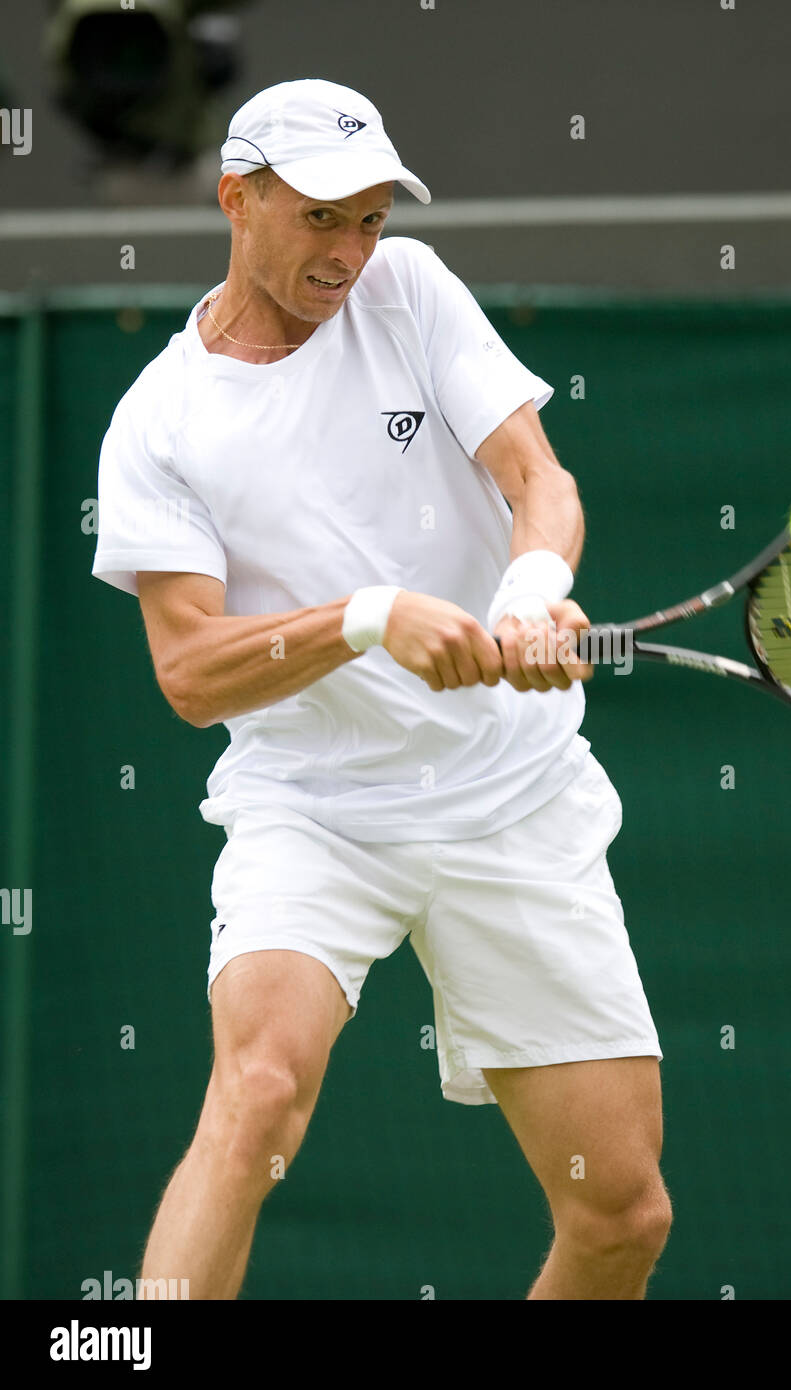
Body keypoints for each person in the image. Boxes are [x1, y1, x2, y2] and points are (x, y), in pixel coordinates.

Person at [91, 79, 670, 1300]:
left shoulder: (409, 292)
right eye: (320, 219)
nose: (349, 251)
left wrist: (531, 587)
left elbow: (537, 476)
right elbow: (191, 671)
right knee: (254, 1095)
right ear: (236, 201)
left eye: (368, 218)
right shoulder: (158, 423)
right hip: (315, 808)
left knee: (620, 1214)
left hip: (513, 796)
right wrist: (367, 620)